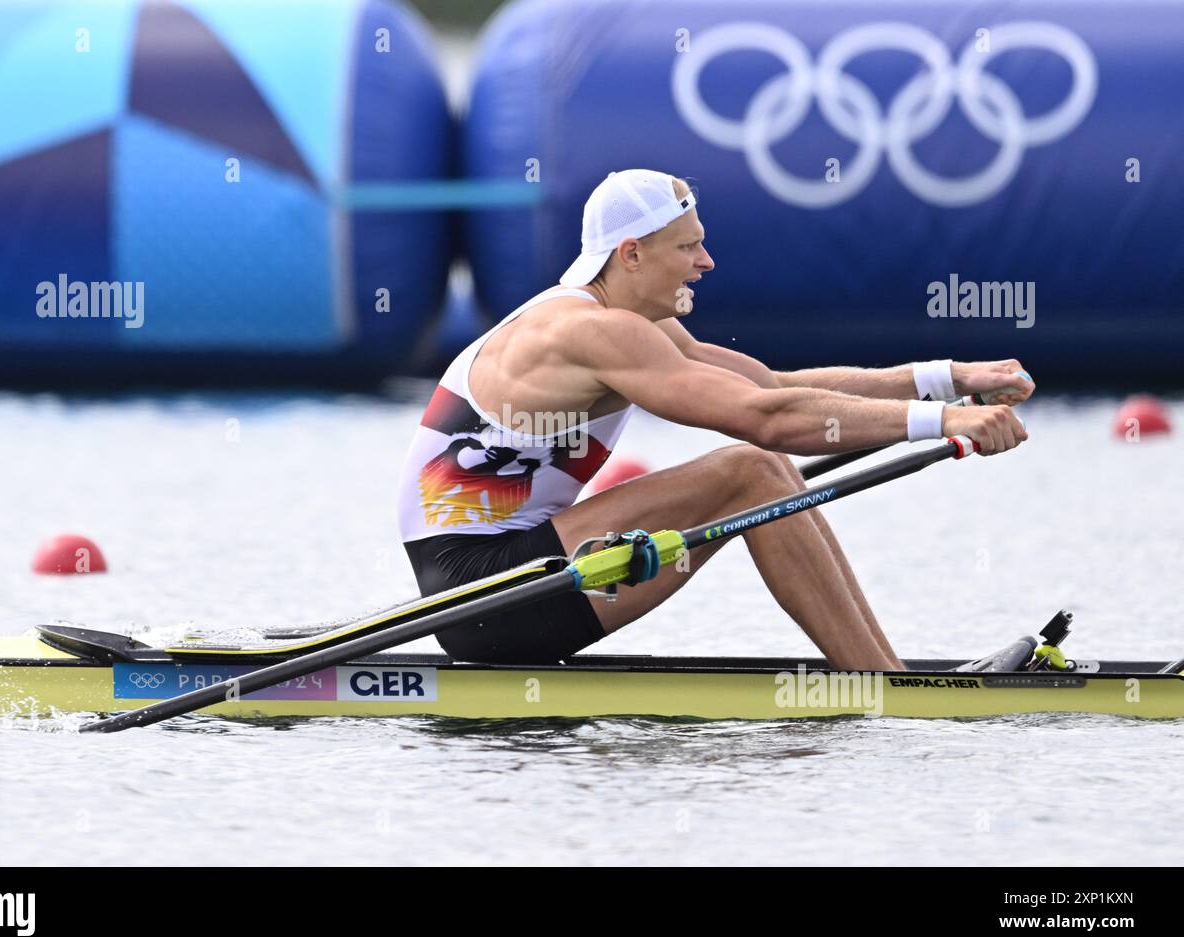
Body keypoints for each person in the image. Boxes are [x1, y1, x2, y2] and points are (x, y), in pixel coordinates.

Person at [396, 169, 1031, 670]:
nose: (707, 262)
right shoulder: (589, 332)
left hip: (514, 578)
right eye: (689, 245)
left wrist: (948, 378)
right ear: (632, 255)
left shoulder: (631, 322)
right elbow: (768, 419)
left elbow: (774, 387)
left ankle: (883, 672)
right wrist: (944, 420)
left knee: (765, 468)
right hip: (486, 594)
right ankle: (887, 687)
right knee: (753, 468)